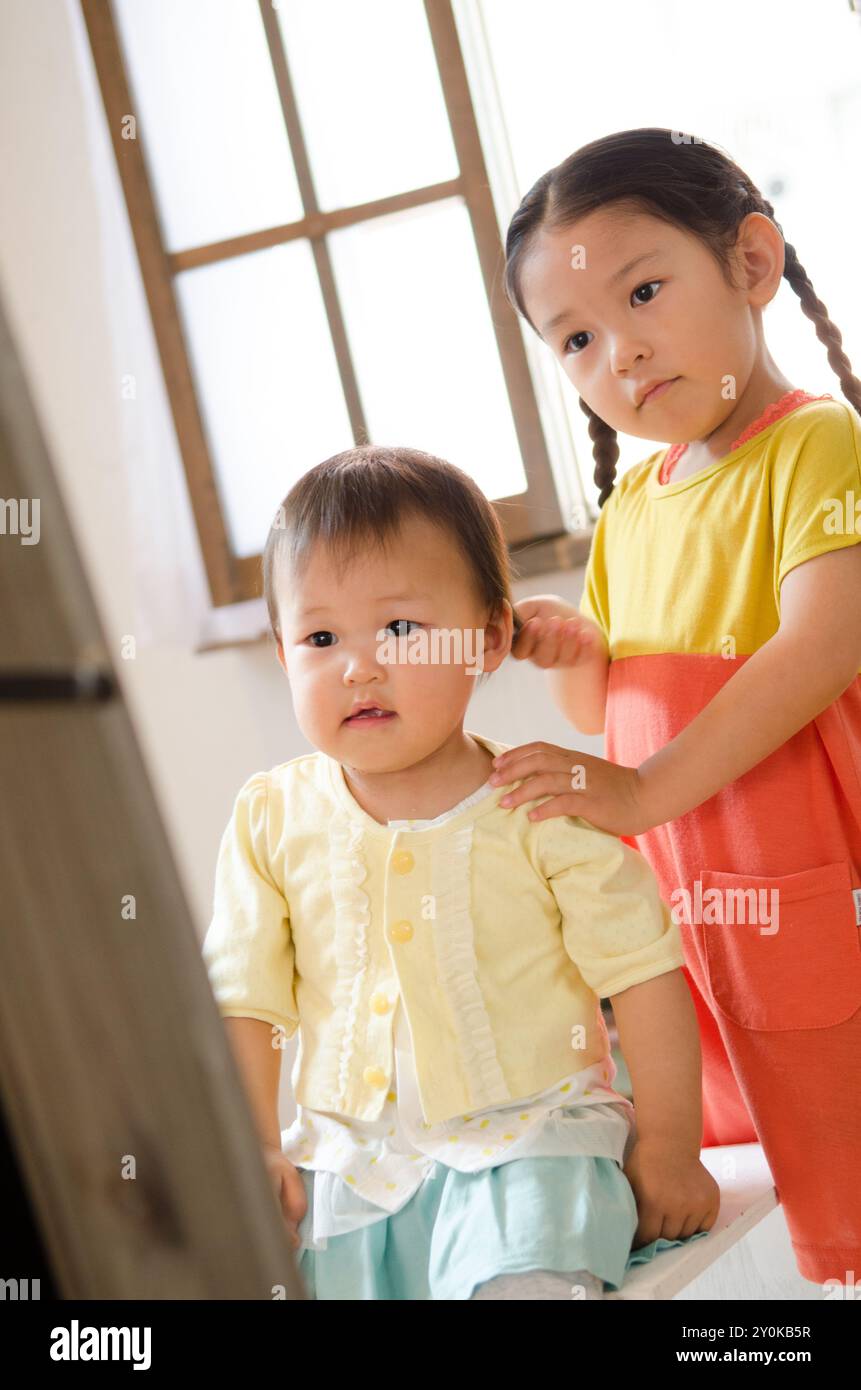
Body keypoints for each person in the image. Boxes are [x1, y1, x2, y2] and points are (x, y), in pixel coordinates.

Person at [202, 444, 716, 1301]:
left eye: (399, 629)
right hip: (354, 1172)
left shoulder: (543, 801)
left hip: (528, 1148)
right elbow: (244, 1001)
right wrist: (259, 1145)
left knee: (524, 1283)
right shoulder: (271, 818)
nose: (358, 666)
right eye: (320, 637)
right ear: (287, 656)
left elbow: (644, 971)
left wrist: (669, 1145)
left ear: (483, 640)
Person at [496, 126, 861, 1287]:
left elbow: (821, 644)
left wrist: (644, 788)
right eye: (579, 339)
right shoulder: (636, 510)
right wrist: (571, 650)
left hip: (803, 884)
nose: (621, 351)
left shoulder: (815, 443)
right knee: (750, 1164)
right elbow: (611, 700)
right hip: (700, 912)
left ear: (751, 261)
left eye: (644, 289)